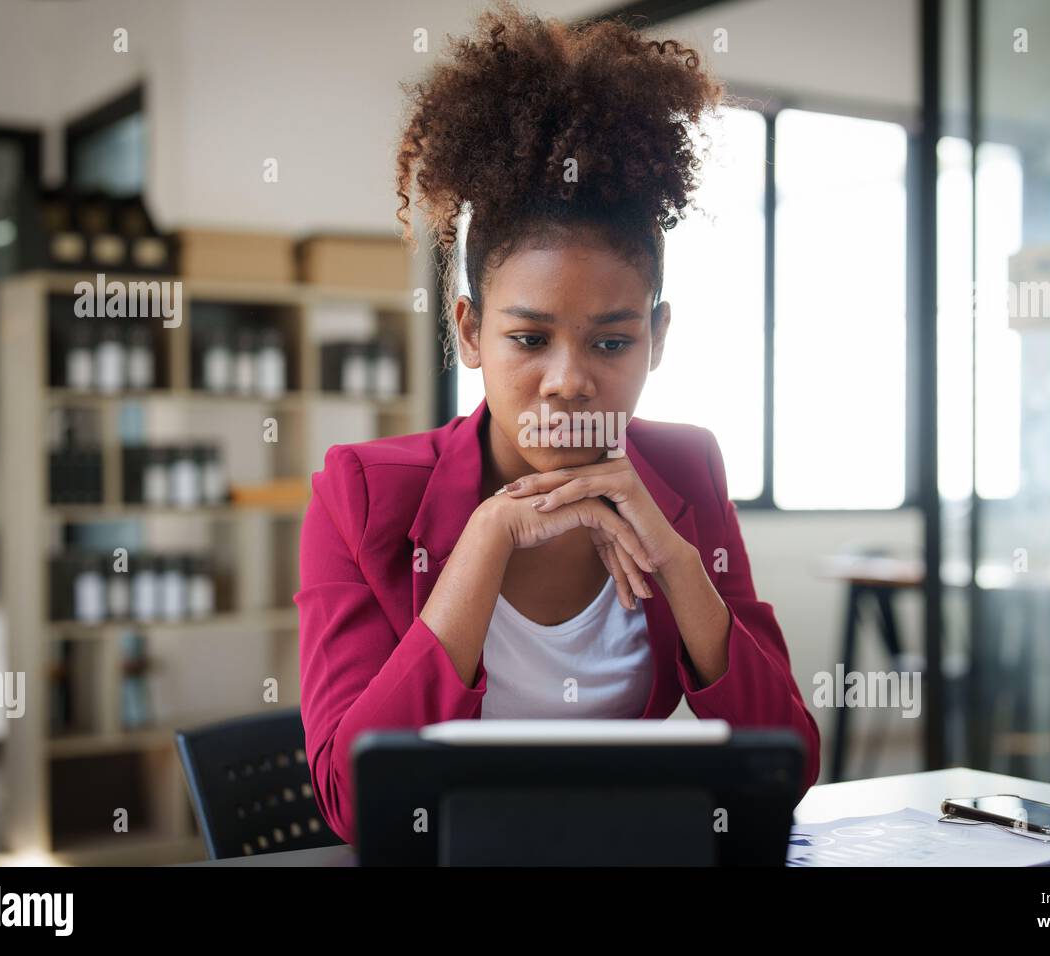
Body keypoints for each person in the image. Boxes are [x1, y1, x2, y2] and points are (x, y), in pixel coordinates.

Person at [295, 1, 820, 847]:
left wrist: (677, 560)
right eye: (528, 338)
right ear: (468, 332)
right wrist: (489, 539)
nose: (570, 381)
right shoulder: (360, 495)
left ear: (659, 338)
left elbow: (787, 766)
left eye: (613, 339)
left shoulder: (685, 471)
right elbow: (358, 806)